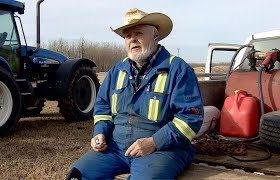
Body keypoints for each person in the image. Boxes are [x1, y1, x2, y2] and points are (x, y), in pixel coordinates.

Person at [66, 8, 204, 180]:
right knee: (77, 174)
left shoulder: (178, 69)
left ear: (155, 36)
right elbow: (103, 107)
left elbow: (190, 118)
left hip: (162, 150)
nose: (132, 39)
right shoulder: (117, 70)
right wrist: (100, 132)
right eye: (127, 35)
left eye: (138, 33)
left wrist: (154, 142)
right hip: (115, 149)